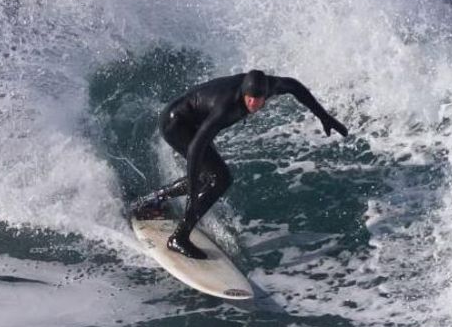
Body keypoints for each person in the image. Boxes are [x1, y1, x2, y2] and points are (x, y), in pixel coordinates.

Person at [129, 69, 349, 259]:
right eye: (249, 98)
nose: (253, 103)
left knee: (212, 176)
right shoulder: (225, 107)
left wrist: (324, 117)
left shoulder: (270, 86)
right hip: (175, 123)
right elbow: (196, 149)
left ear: (266, 94)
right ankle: (179, 238)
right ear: (243, 93)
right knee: (220, 178)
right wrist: (193, 198)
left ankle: (153, 200)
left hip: (193, 121)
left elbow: (294, 86)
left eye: (258, 99)